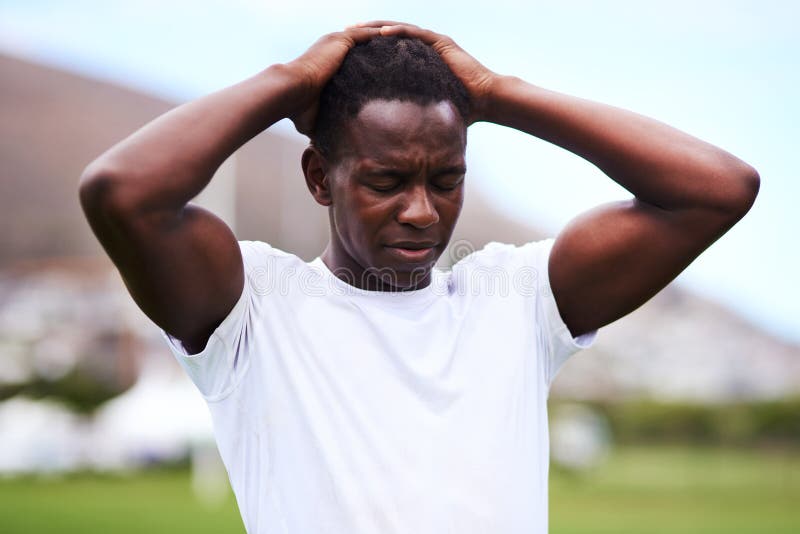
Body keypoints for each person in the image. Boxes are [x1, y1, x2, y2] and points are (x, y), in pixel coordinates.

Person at [78, 21, 759, 534]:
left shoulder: (515, 300)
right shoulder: (251, 310)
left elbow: (717, 189)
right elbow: (122, 193)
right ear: (321, 177)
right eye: (387, 181)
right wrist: (292, 80)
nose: (422, 211)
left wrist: (498, 95)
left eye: (448, 179)